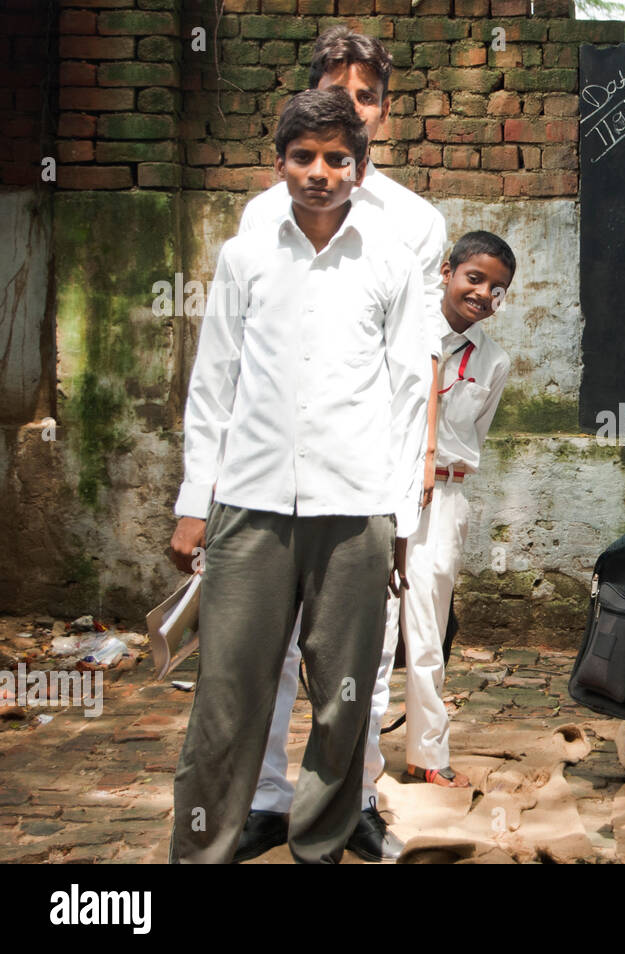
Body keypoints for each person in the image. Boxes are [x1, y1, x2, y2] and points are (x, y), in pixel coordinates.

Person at [167, 87, 430, 864]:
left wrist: (401, 522)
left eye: (336, 159)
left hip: (355, 510)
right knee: (227, 696)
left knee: (345, 696)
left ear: (359, 165)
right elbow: (212, 384)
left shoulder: (389, 261)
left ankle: (319, 844)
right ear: (280, 163)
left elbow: (409, 394)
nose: (319, 172)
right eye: (303, 157)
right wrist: (193, 505)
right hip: (249, 505)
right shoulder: (246, 254)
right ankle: (201, 849)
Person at [236, 26, 447, 864]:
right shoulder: (261, 214)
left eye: (364, 98)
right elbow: (242, 353)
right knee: (264, 646)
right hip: (274, 474)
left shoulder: (414, 222)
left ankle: (352, 796)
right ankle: (259, 797)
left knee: (361, 645)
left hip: (367, 471)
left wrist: (415, 470)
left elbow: (418, 358)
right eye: (336, 92)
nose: (349, 110)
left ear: (382, 114)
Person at [402, 231, 513, 788]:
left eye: (497, 289)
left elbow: (476, 433)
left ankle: (426, 752)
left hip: (444, 496)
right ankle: (355, 754)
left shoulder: (494, 361)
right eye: (475, 278)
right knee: (371, 627)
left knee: (427, 624)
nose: (483, 293)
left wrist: (440, 471)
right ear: (447, 271)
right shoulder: (407, 331)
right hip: (385, 489)